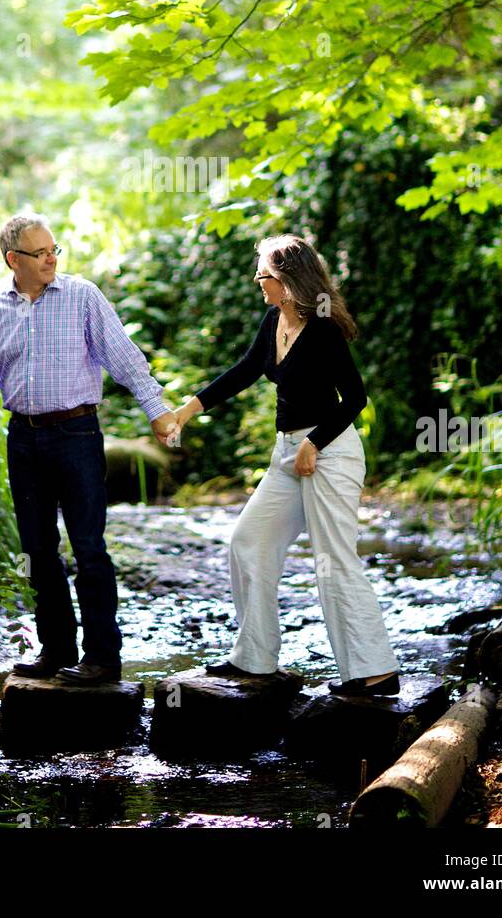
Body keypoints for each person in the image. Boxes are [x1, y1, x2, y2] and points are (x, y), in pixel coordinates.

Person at [171, 233, 400, 696]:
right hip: (287, 455)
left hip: (329, 455)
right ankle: (254, 658)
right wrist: (185, 411)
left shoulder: (322, 328)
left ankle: (374, 671)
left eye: (265, 275)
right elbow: (244, 370)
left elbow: (355, 398)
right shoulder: (274, 321)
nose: (259, 281)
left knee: (333, 560)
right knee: (248, 542)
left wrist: (314, 443)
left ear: (289, 280)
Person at [0, 212, 178, 685]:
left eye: (54, 249)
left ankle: (102, 657)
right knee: (37, 551)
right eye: (40, 253)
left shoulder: (81, 296)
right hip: (24, 439)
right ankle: (56, 649)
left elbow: (124, 357)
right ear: (13, 259)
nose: (51, 258)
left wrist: (156, 410)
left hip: (78, 435)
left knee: (89, 547)